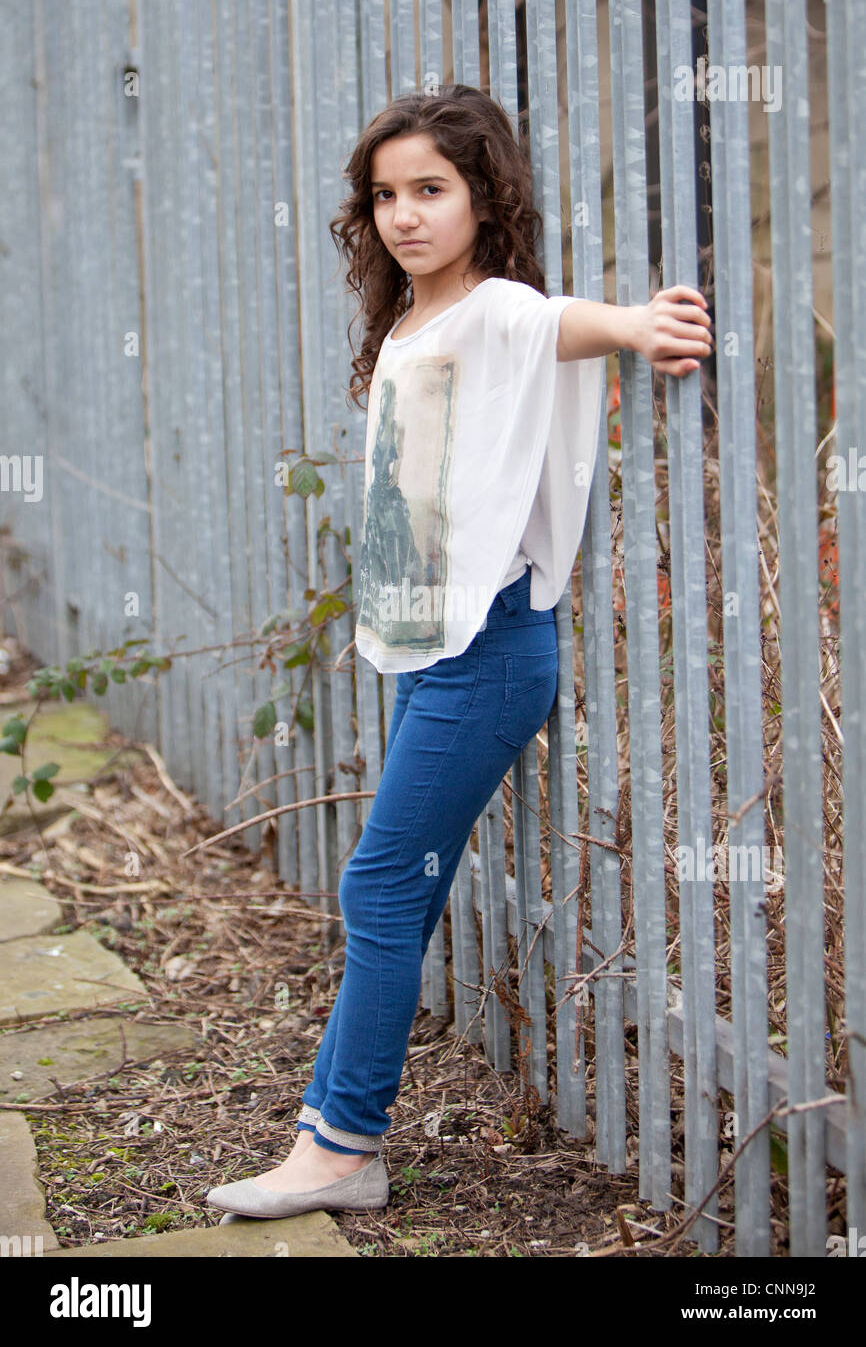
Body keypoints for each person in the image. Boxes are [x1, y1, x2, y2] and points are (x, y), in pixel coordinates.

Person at [206, 84, 712, 1220]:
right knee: (398, 891)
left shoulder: (491, 309)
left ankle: (341, 1145)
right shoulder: (406, 324)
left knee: (377, 885)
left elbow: (551, 320)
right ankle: (329, 1130)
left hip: (486, 656)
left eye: (430, 189)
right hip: (435, 649)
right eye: (384, 194)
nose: (403, 214)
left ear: (484, 197)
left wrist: (633, 324)